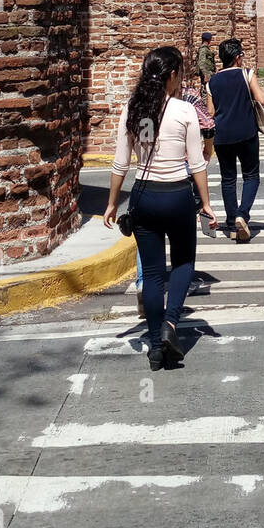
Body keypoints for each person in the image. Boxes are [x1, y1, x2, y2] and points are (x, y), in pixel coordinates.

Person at [103, 46, 216, 371]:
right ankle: (170, 323)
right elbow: (197, 164)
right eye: (180, 73)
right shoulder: (184, 111)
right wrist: (206, 203)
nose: (181, 79)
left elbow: (120, 164)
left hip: (144, 196)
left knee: (152, 273)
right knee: (182, 262)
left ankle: (155, 346)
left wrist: (112, 203)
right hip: (178, 195)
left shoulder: (133, 109)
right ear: (170, 76)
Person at [206, 37, 264, 242]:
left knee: (228, 179)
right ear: (237, 57)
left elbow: (210, 112)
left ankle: (232, 224)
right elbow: (262, 99)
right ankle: (243, 214)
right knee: (251, 176)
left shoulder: (212, 81)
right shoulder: (246, 74)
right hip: (246, 133)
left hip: (222, 136)